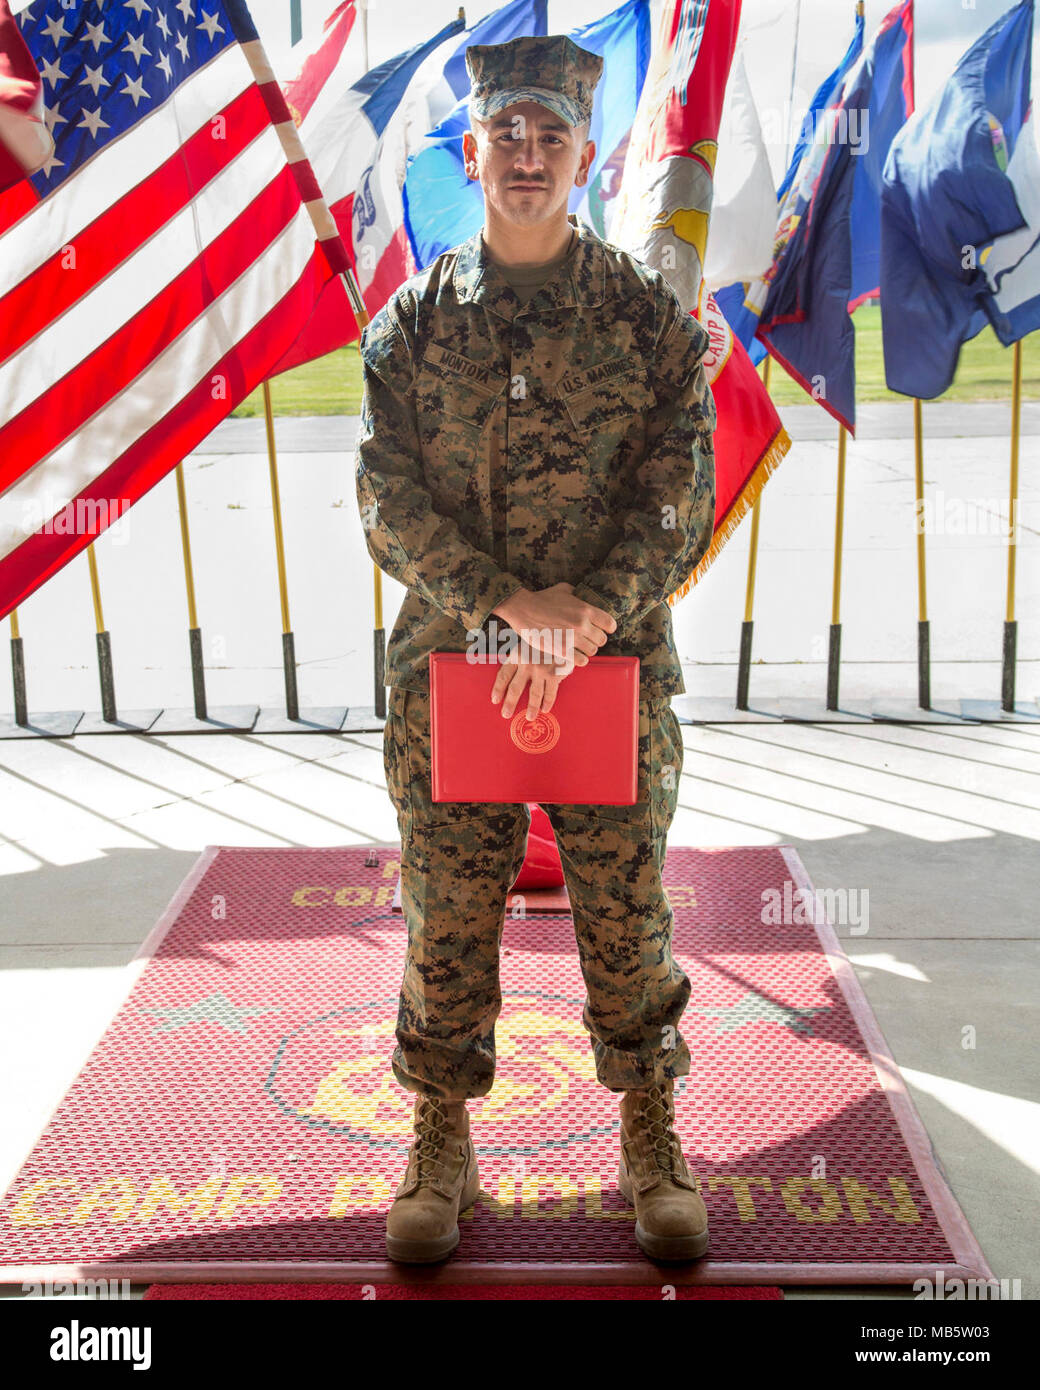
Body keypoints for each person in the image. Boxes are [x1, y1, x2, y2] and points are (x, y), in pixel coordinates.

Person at [354, 33, 716, 1265]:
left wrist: (590, 610)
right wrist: (509, 607)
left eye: (549, 135)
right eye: (504, 132)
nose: (525, 153)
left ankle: (650, 1131)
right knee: (448, 911)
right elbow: (385, 499)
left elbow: (681, 491)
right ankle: (438, 1136)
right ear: (472, 149)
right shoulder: (411, 325)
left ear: (584, 155)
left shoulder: (643, 319)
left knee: (624, 906)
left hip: (610, 669)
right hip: (457, 663)